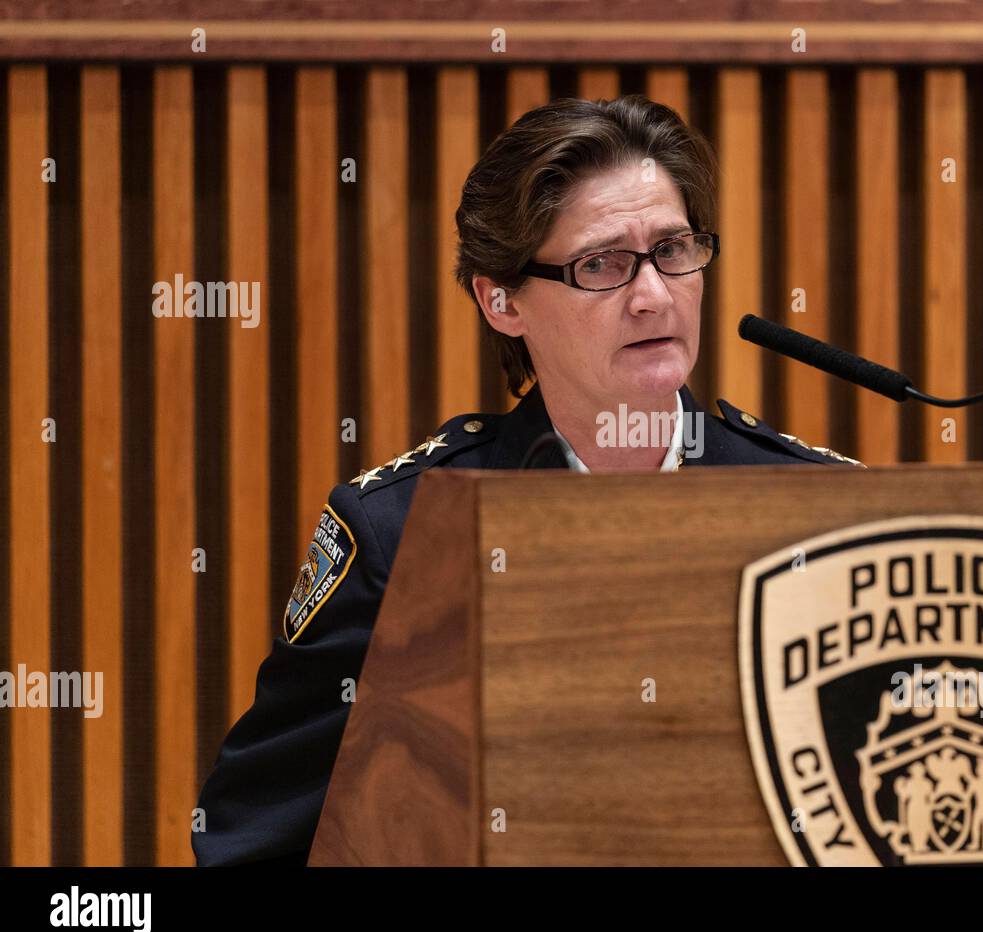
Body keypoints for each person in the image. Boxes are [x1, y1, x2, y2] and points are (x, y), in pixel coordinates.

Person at [193, 94, 862, 866]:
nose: (654, 295)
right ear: (502, 301)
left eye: (674, 250)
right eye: (602, 264)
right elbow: (253, 842)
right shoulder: (404, 532)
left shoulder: (817, 508)